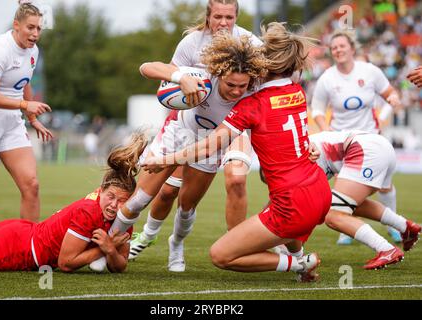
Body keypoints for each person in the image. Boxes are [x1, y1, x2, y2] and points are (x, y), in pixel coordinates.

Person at [142, 22, 331, 282]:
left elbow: (209, 146)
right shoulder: (296, 92)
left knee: (221, 255)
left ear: (264, 66)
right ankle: (303, 264)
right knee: (288, 226)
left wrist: (164, 160)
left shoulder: (252, 105)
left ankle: (299, 263)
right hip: (320, 190)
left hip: (292, 202)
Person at [90, 32, 267, 273]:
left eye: (242, 86)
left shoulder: (252, 94)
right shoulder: (202, 78)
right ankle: (107, 248)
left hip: (212, 144)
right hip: (179, 133)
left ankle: (177, 244)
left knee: (186, 207)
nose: (236, 91)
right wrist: (180, 77)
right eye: (230, 85)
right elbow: (146, 67)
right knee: (141, 199)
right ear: (217, 75)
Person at [128, 0, 263, 262]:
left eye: (229, 17)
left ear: (236, 16)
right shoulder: (192, 42)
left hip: (236, 127)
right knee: (169, 191)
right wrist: (182, 81)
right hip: (193, 123)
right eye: (218, 17)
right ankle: (148, 234)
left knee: (235, 181)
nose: (223, 22)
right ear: (208, 16)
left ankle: (231, 249)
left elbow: (268, 83)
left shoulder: (251, 44)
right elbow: (168, 80)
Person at [0, 133, 146, 272]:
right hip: (18, 248)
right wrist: (104, 248)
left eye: (122, 201)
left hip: (21, 231)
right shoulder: (89, 211)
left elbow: (120, 265)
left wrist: (110, 250)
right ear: (100, 191)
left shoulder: (123, 218)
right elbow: (66, 263)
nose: (114, 205)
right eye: (110, 197)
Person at [310, 29, 403, 244]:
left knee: (385, 186)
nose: (338, 50)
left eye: (342, 46)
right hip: (342, 144)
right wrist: (327, 131)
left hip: (371, 140)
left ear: (352, 48)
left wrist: (394, 99)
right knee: (346, 187)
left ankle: (393, 226)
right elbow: (317, 110)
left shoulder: (370, 71)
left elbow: (390, 93)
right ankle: (346, 229)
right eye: (334, 48)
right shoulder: (327, 78)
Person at [0, 3, 53, 222]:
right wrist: (26, 106)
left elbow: (24, 84)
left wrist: (32, 119)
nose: (35, 34)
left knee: (31, 185)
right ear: (16, 25)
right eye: (30, 28)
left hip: (12, 121)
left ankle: (29, 250)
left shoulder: (32, 50)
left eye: (39, 28)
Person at [307, 130, 420, 269]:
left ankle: (386, 249)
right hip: (379, 145)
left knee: (332, 215)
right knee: (344, 203)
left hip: (365, 150)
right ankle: (405, 226)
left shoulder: (290, 160)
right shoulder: (294, 147)